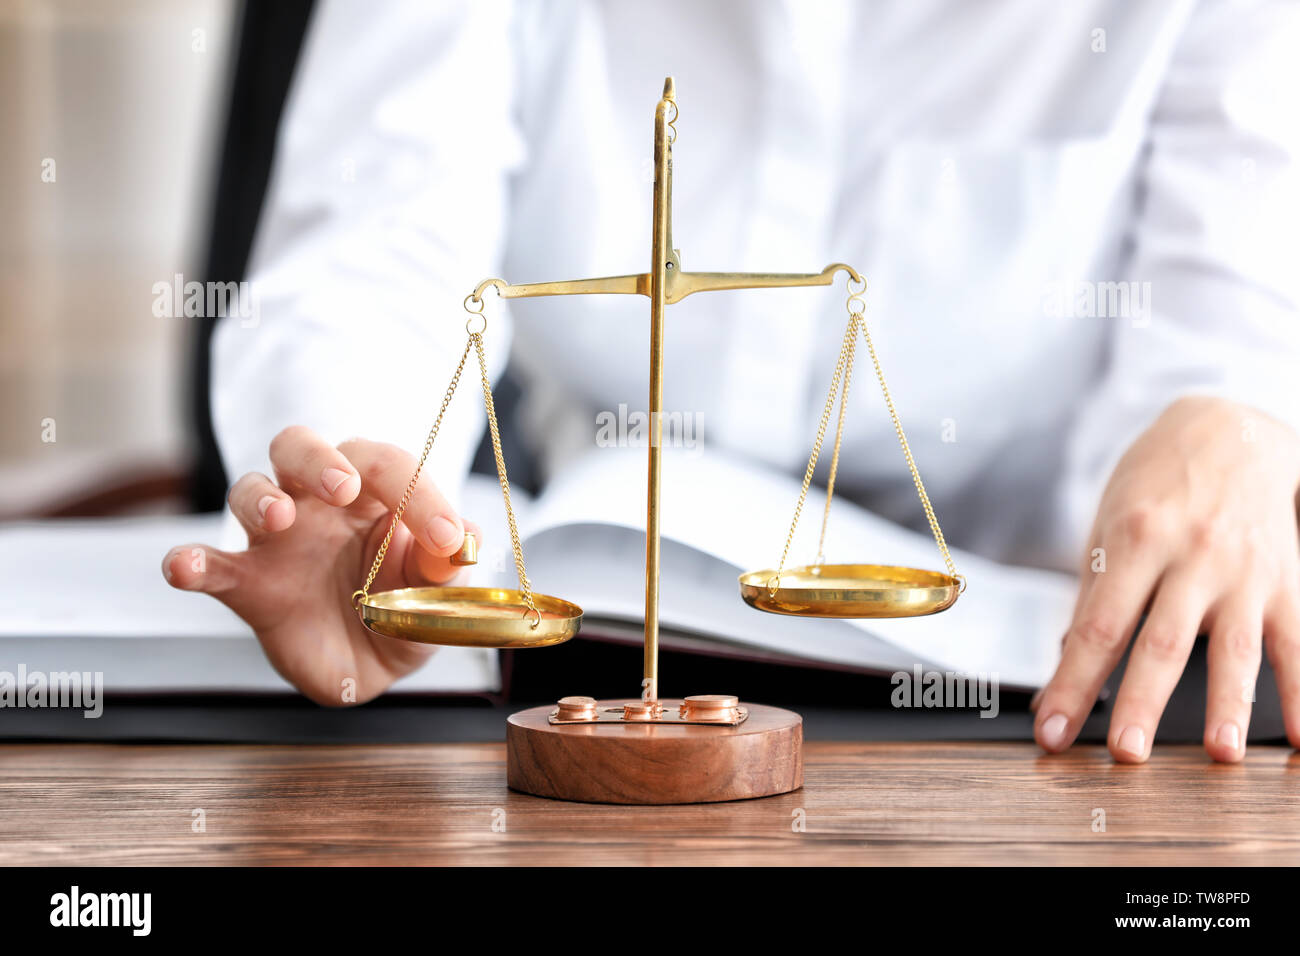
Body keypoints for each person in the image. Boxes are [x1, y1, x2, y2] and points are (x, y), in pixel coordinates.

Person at [162, 0, 1300, 763]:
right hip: (571, 644)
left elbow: (1220, 332)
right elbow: (378, 236)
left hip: (1003, 679)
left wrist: (1233, 419)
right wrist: (365, 485)